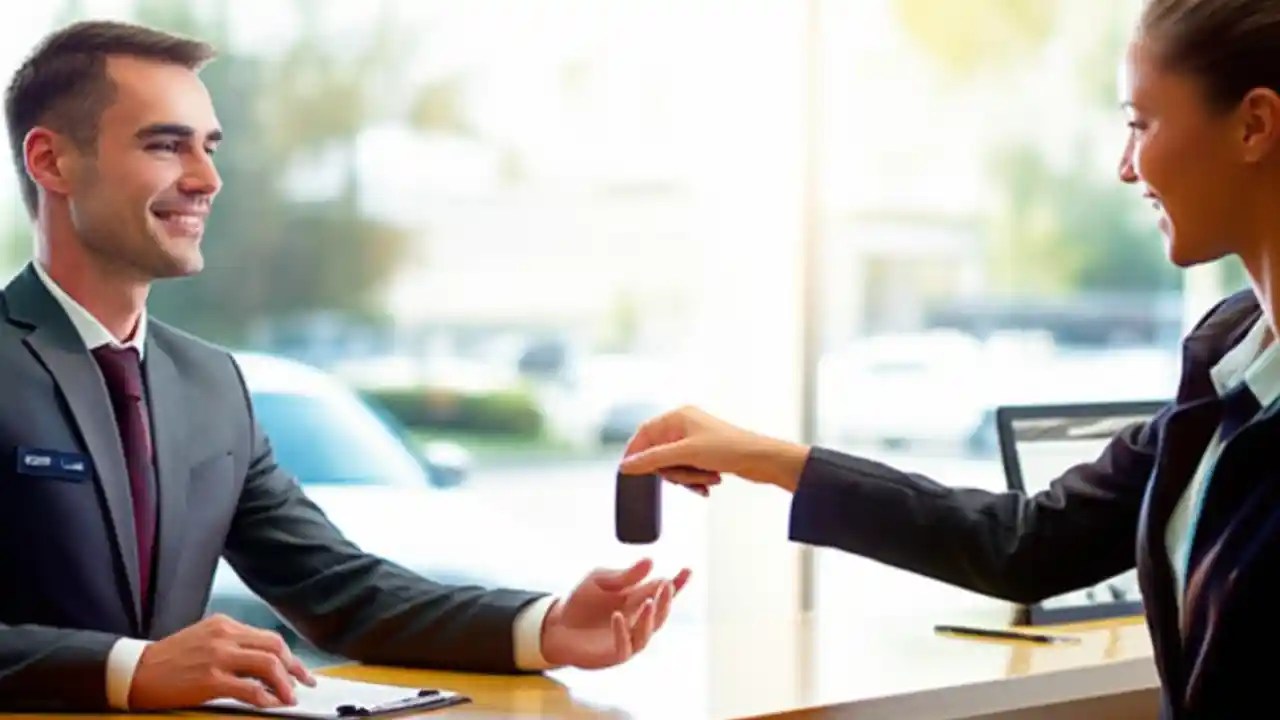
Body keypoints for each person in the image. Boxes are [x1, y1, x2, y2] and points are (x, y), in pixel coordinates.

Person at [0, 20, 690, 713]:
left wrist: (547, 626)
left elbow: (340, 589)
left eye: (209, 148)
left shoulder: (209, 385)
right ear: (51, 161)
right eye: (165, 145)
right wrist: (131, 669)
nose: (207, 178)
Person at [620, 1, 1280, 717]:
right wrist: (769, 458)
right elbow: (1031, 543)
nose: (1126, 168)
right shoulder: (1230, 356)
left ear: (1254, 125)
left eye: (1140, 124)